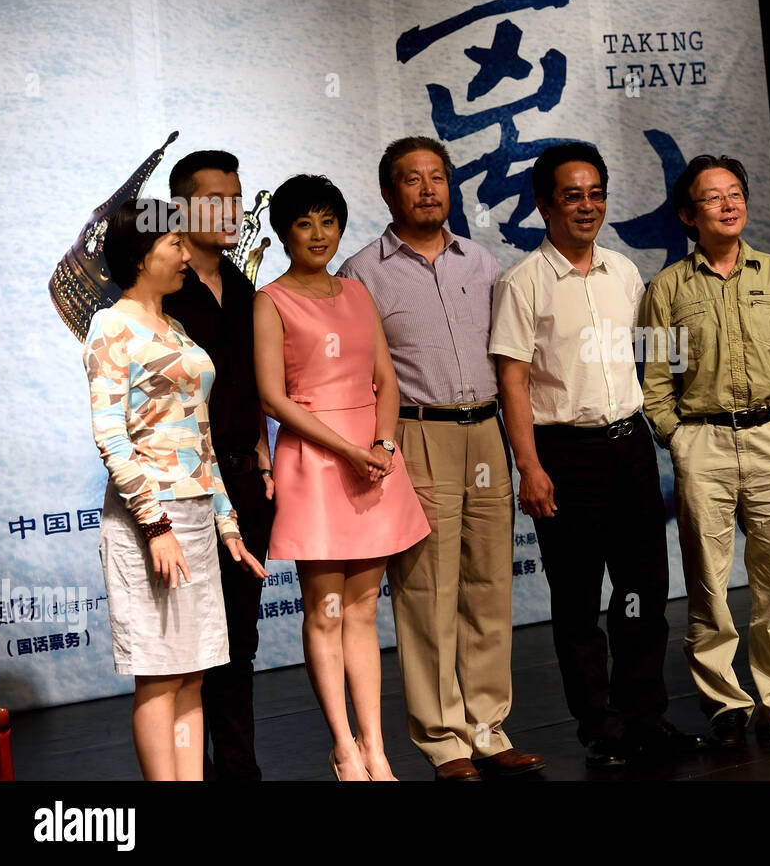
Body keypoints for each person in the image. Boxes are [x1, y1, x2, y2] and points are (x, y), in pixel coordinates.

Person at [492, 143, 704, 768]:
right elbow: (512, 383)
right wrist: (529, 467)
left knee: (644, 590)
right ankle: (599, 725)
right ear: (544, 206)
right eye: (571, 196)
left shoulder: (624, 272)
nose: (587, 206)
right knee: (579, 601)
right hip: (563, 454)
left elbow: (647, 356)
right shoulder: (521, 282)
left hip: (630, 446)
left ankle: (646, 715)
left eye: (595, 194)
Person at [336, 137, 543, 780]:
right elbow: (354, 378)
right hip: (415, 436)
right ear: (387, 192)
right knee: (426, 589)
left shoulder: (480, 262)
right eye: (411, 180)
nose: (428, 189)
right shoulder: (361, 271)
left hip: (485, 432)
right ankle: (442, 738)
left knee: (488, 583)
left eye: (437, 178)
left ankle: (488, 725)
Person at [640, 154, 770, 749]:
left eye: (736, 194)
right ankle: (724, 701)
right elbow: (656, 377)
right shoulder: (666, 288)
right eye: (712, 198)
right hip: (702, 439)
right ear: (686, 214)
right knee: (707, 578)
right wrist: (675, 433)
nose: (729, 205)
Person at [253, 174, 430, 781]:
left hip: (373, 460)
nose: (319, 234)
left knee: (362, 612)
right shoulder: (270, 300)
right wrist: (349, 451)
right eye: (305, 223)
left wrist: (380, 444)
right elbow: (274, 399)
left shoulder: (356, 292)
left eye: (328, 221)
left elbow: (387, 377)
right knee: (325, 610)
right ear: (283, 232)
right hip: (315, 463)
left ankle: (376, 746)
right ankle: (342, 746)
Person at [83, 198, 266, 781]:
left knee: (194, 673)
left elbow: (200, 438)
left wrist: (228, 524)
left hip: (196, 519)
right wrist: (155, 525)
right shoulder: (112, 325)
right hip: (148, 523)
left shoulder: (177, 328)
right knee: (161, 675)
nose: (186, 254)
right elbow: (110, 437)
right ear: (141, 254)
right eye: (173, 245)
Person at [163, 150, 275, 779]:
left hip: (244, 480)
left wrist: (262, 458)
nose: (230, 212)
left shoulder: (244, 286)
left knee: (240, 641)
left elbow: (252, 386)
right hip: (183, 488)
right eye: (215, 200)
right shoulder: (159, 291)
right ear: (180, 208)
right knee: (189, 647)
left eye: (236, 199)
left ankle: (241, 771)